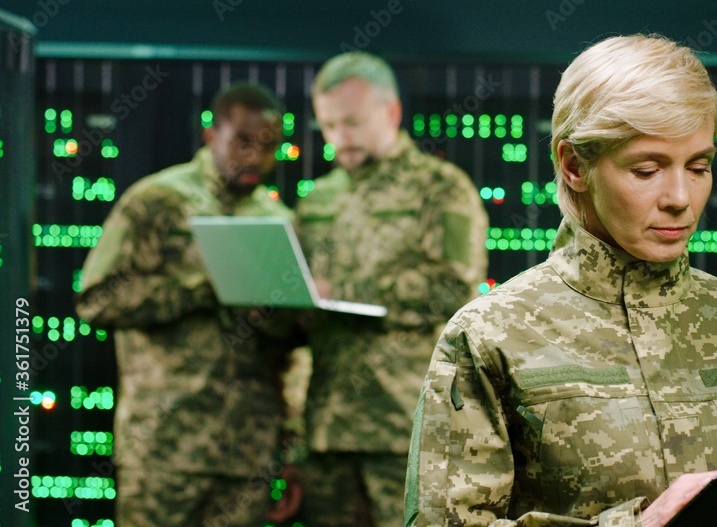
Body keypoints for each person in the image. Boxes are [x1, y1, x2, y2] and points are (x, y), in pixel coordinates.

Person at [404, 34, 717, 527]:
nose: (680, 197)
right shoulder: (489, 336)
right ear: (573, 166)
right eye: (647, 169)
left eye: (699, 167)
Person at [76, 82, 301, 526]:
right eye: (242, 141)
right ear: (211, 134)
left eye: (268, 146)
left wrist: (293, 447)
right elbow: (96, 299)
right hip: (163, 447)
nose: (255, 157)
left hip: (247, 453)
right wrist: (202, 289)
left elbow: (292, 354)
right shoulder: (157, 202)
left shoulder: (278, 223)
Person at [295, 52, 489, 527]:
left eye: (353, 122)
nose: (341, 138)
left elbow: (451, 289)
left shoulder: (440, 189)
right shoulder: (318, 200)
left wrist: (342, 288)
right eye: (330, 126)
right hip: (326, 429)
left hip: (405, 428)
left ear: (392, 113)